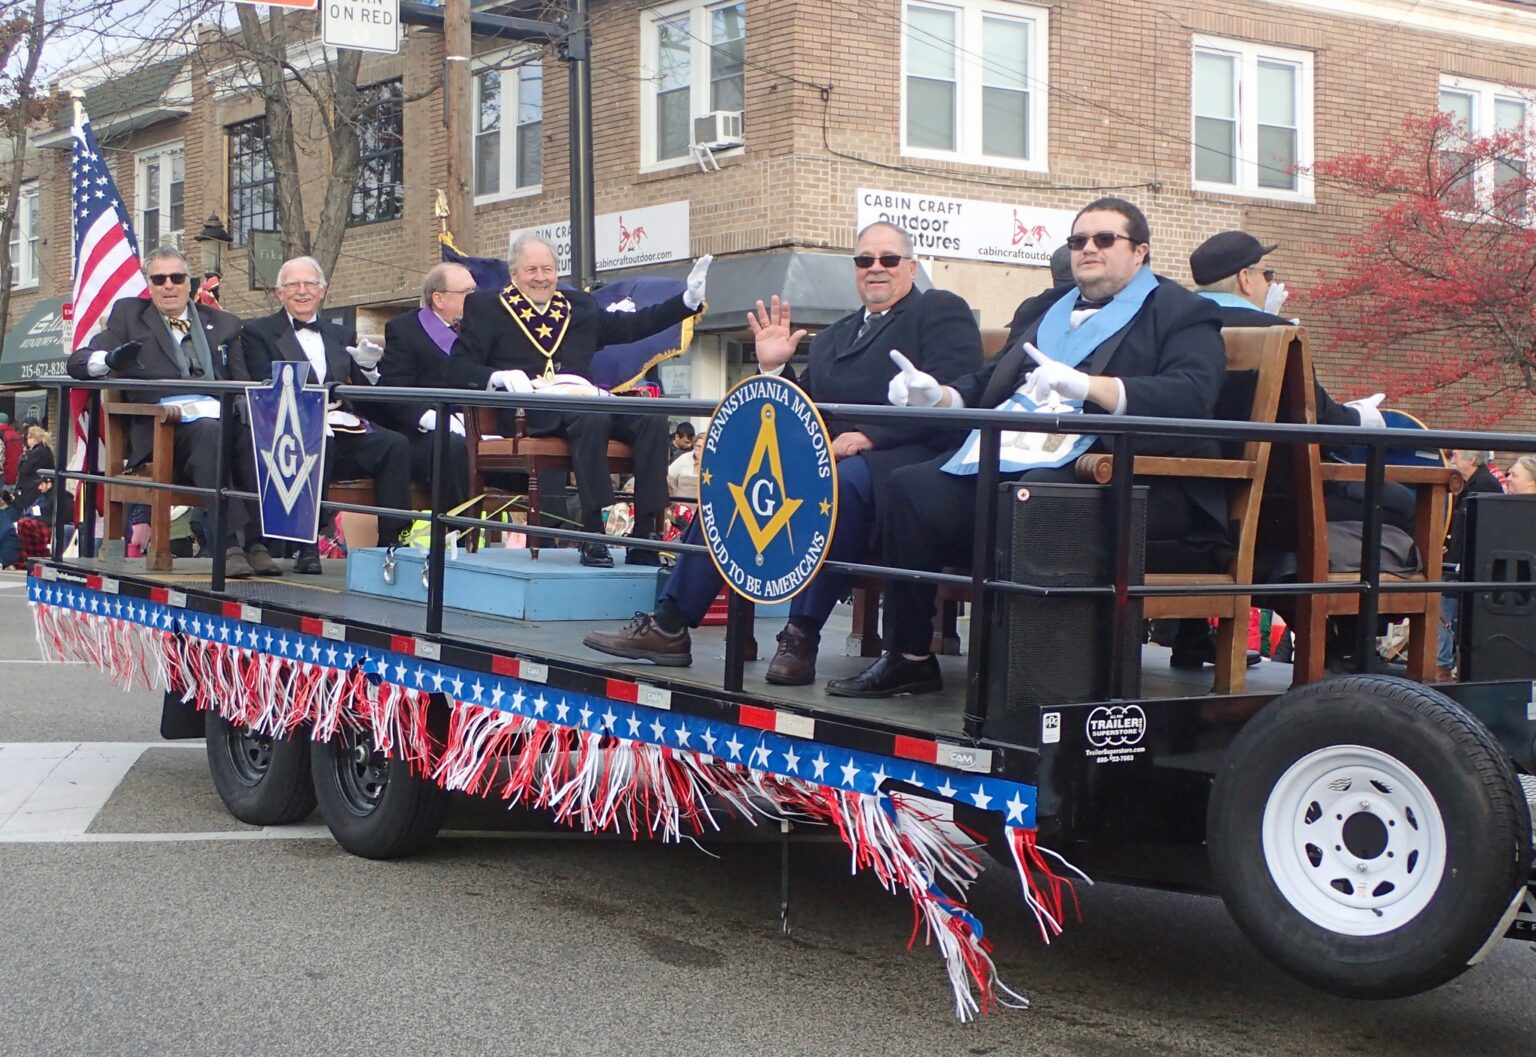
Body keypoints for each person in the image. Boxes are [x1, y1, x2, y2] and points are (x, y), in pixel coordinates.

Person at [828, 197, 1229, 698]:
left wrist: (1090, 388)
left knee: (1032, 495)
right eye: (1078, 241)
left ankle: (1030, 677)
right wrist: (941, 396)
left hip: (1127, 476)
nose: (1088, 249)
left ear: (1140, 252)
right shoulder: (1047, 310)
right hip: (1017, 459)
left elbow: (1191, 395)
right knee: (911, 487)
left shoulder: (1182, 311)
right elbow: (993, 381)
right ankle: (909, 657)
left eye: (1105, 240)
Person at [585, 221, 985, 680]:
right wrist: (773, 370)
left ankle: (800, 634)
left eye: (888, 259)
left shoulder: (937, 311)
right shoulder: (834, 336)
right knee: (732, 480)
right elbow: (803, 413)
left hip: (907, 467)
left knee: (840, 482)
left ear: (910, 266)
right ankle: (671, 624)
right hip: (828, 463)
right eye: (864, 260)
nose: (876, 269)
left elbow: (957, 398)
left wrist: (873, 436)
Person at [447, 234, 711, 567]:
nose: (541, 277)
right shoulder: (487, 307)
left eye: (548, 269)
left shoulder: (578, 307)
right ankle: (592, 533)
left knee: (652, 419)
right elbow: (456, 367)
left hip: (583, 399)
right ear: (514, 274)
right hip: (526, 410)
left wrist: (685, 302)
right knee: (593, 418)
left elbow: (631, 326)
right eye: (531, 269)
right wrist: (497, 378)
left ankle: (645, 535)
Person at [66, 246, 273, 578]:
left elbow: (242, 383)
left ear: (189, 282)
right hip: (162, 426)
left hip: (220, 417)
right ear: (149, 285)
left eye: (177, 277)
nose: (168, 285)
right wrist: (108, 360)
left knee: (251, 431)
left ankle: (257, 543)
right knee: (210, 431)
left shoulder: (223, 324)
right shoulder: (130, 317)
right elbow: (78, 362)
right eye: (159, 279)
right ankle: (228, 543)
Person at [241, 255, 412, 574]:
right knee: (322, 441)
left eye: (310, 284)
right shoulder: (258, 332)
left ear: (323, 291)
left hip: (344, 425)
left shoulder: (340, 335)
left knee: (395, 444)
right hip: (290, 433)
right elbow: (265, 385)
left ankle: (392, 543)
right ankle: (306, 547)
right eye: (293, 285)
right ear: (279, 293)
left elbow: (363, 393)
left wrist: (369, 368)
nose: (302, 291)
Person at [378, 263, 475, 517]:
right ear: (439, 298)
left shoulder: (480, 329)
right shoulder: (405, 330)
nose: (476, 299)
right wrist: (434, 419)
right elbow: (395, 389)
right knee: (451, 447)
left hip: (476, 423)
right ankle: (460, 535)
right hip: (423, 432)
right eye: (467, 293)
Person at [1439, 449, 1506, 679]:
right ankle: (1445, 662)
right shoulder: (1471, 484)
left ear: (1471, 459)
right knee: (1448, 610)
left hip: (1465, 562)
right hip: (1457, 558)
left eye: (1456, 455)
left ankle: (1443, 664)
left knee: (1447, 609)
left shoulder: (1484, 484)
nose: (1452, 460)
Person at [14, 425, 54, 511]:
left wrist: (24, 456)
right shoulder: (44, 450)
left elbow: (25, 468)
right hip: (35, 487)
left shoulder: (38, 451)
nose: (27, 440)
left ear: (35, 438)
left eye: (29, 437)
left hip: (32, 489)